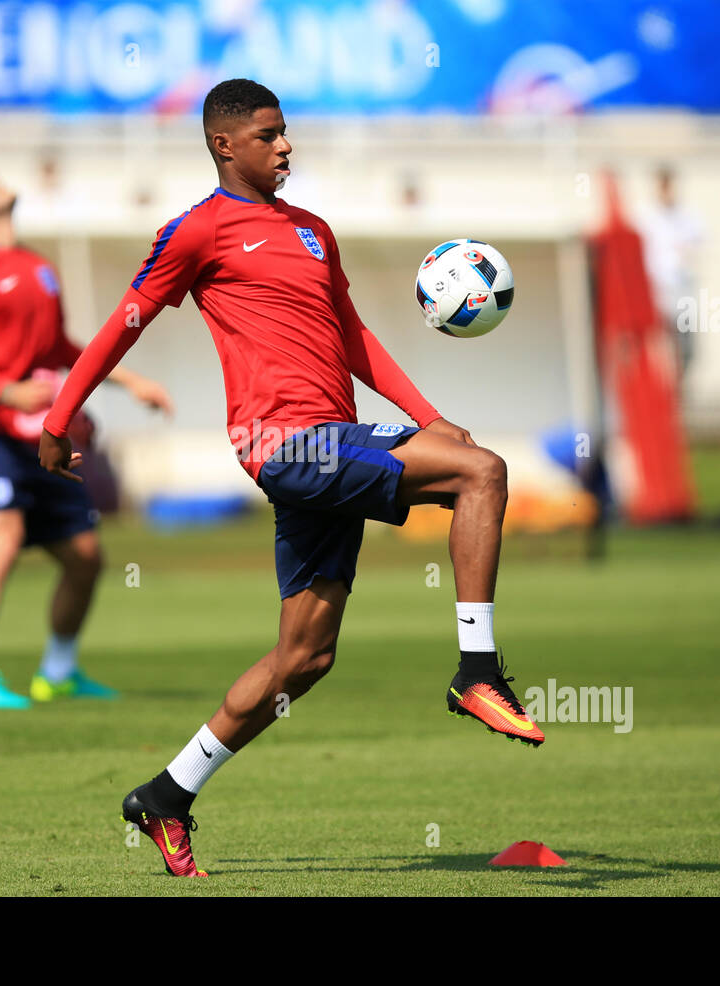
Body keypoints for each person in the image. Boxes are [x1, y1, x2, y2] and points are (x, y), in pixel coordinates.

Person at [38, 79, 543, 878]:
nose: (285, 146)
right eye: (269, 135)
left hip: (331, 443)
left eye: (286, 133)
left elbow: (353, 338)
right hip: (286, 446)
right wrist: (58, 421)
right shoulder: (197, 232)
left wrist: (428, 415)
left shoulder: (313, 232)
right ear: (223, 145)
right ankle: (476, 671)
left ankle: (167, 794)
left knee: (303, 660)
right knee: (483, 474)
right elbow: (119, 328)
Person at [0, 167, 173, 710]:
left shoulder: (36, 267)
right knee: (2, 539)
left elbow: (60, 348)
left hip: (38, 436)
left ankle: (58, 672)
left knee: (86, 555)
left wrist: (129, 380)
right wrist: (4, 391)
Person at [640, 165, 704, 383]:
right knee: (658, 348)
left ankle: (677, 393)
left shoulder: (688, 216)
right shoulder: (646, 218)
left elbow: (700, 247)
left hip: (682, 292)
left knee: (686, 350)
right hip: (656, 293)